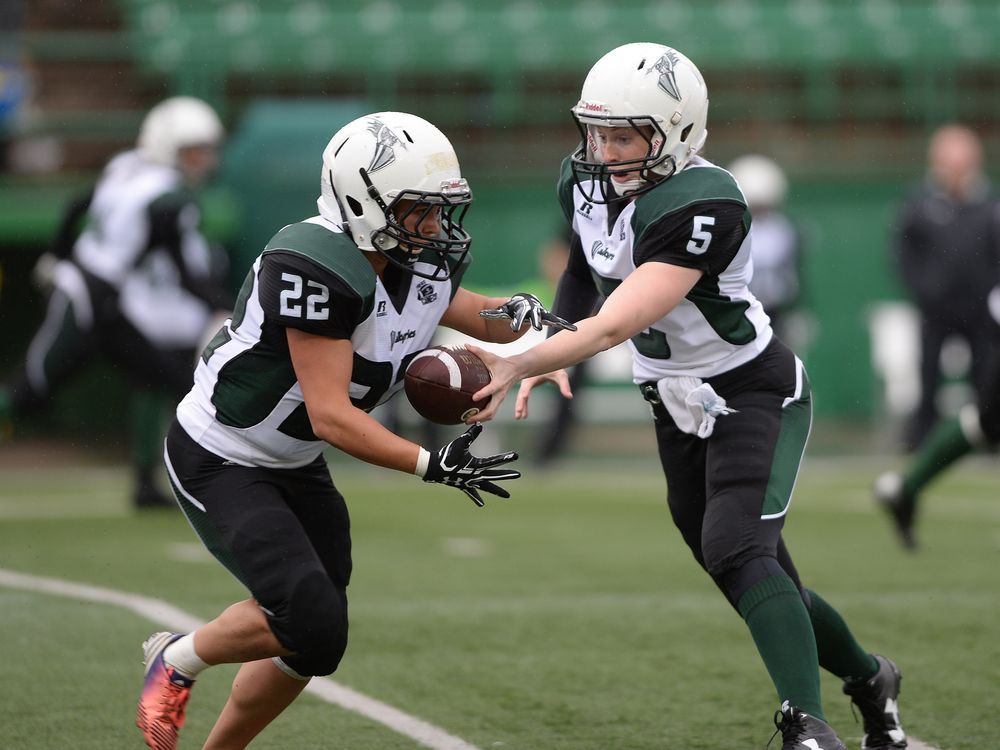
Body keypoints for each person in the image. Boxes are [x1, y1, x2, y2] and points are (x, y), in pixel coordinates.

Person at [467, 43, 907, 750]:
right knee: (753, 573)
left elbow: (619, 319)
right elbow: (584, 263)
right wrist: (552, 329)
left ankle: (807, 725)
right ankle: (868, 679)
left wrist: (525, 356)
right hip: (670, 396)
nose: (602, 150)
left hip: (752, 390)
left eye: (623, 135)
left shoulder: (705, 201)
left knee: (735, 545)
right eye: (595, 131)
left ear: (674, 132)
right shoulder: (586, 181)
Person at [137, 111, 574, 750]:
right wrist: (432, 463)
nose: (433, 227)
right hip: (224, 455)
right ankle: (178, 658)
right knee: (304, 612)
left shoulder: (417, 259)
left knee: (318, 639)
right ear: (363, 199)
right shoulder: (313, 262)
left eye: (437, 210)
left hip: (293, 461)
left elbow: (477, 311)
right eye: (418, 210)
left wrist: (554, 334)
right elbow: (332, 415)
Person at [0, 96, 234, 508]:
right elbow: (185, 275)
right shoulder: (169, 201)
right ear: (168, 145)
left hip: (105, 300)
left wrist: (56, 254)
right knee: (31, 390)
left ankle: (162, 484)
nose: (202, 160)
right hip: (84, 295)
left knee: (168, 380)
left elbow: (77, 205)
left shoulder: (124, 165)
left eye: (204, 150)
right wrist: (231, 306)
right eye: (192, 150)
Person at [890, 124, 1000, 450]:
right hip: (935, 309)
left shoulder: (989, 206)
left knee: (987, 377)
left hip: (980, 310)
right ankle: (922, 440)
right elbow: (903, 252)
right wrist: (923, 289)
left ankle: (988, 438)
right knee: (927, 378)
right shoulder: (920, 204)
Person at [726, 154, 805, 344]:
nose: (759, 212)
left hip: (775, 312)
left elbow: (793, 274)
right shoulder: (730, 229)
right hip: (735, 312)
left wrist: (797, 309)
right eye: (755, 206)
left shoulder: (784, 229)